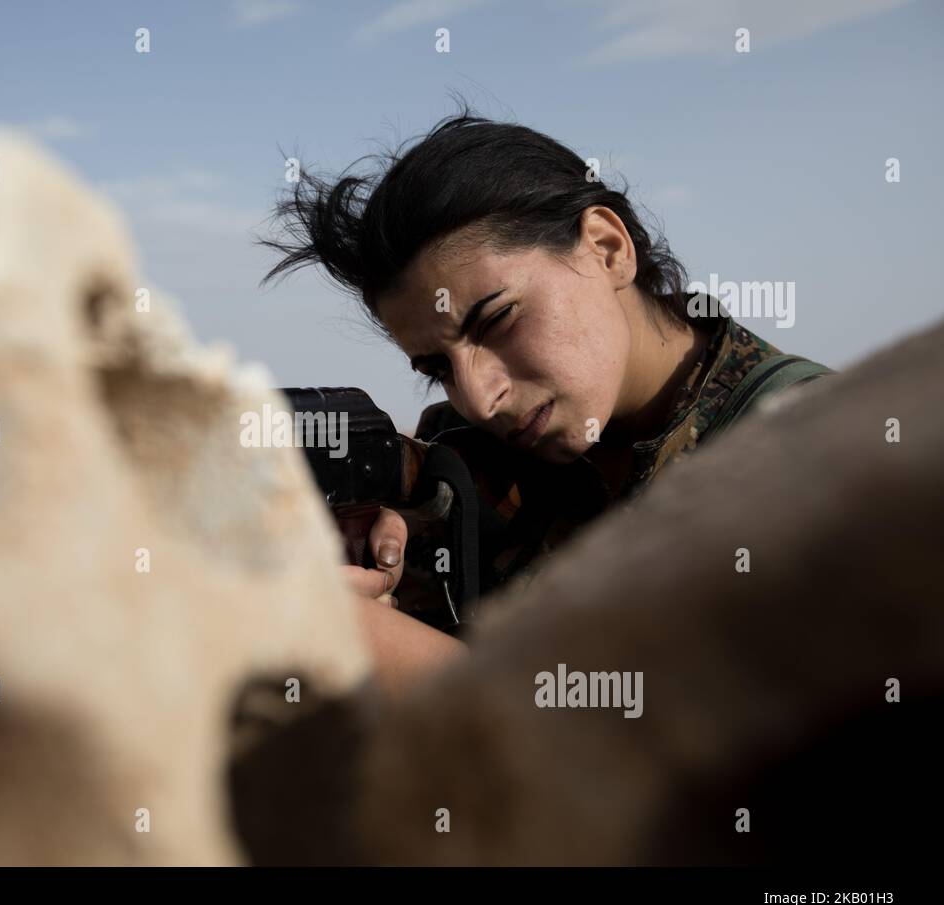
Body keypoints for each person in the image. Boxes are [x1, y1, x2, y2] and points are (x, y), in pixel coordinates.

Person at [258, 106, 830, 695]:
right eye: (437, 368)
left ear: (608, 248)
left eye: (498, 320)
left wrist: (353, 635)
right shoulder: (462, 452)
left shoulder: (815, 453)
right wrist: (383, 564)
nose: (480, 398)